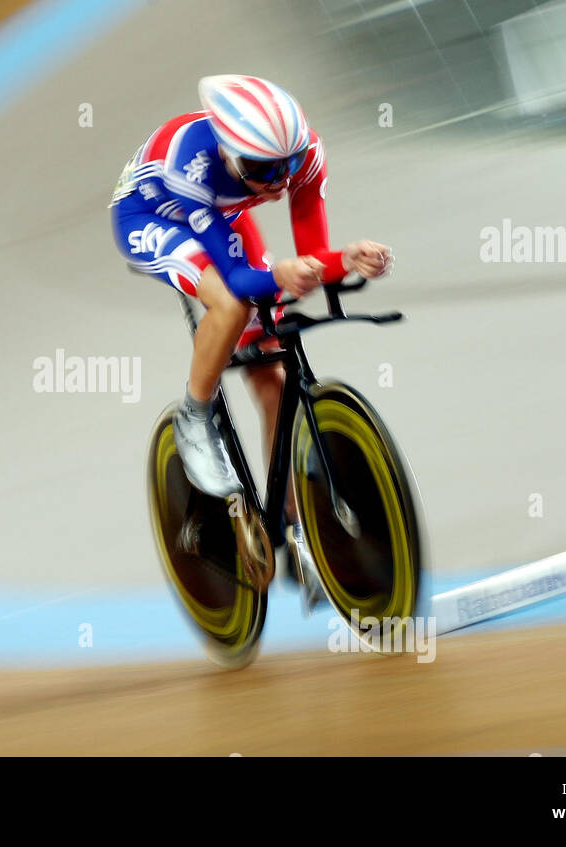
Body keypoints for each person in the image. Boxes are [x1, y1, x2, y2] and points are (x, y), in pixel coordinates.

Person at [110, 75, 393, 581]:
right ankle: (194, 416)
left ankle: (292, 523)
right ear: (229, 154)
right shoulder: (191, 167)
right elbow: (241, 281)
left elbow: (310, 258)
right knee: (231, 303)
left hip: (223, 213)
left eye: (288, 164)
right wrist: (277, 275)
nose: (281, 180)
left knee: (273, 375)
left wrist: (345, 259)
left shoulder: (299, 154)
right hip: (154, 214)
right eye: (265, 168)